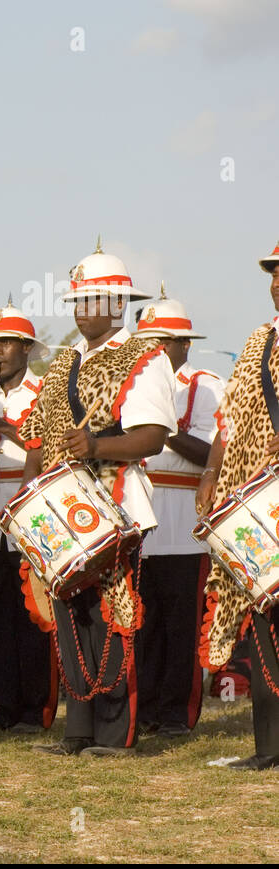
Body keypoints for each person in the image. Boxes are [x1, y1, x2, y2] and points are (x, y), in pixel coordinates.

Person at [19, 241, 176, 758]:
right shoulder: (63, 359)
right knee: (71, 611)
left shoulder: (145, 356)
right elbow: (39, 435)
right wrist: (31, 493)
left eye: (95, 301)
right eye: (79, 302)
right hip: (63, 507)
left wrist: (97, 445)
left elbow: (152, 436)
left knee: (112, 613)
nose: (85, 311)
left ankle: (115, 734)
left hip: (117, 503)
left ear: (119, 303)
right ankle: (78, 730)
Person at [195, 238, 279, 769]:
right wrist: (210, 472)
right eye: (273, 274)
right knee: (263, 616)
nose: (276, 283)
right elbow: (229, 417)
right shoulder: (257, 341)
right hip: (255, 498)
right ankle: (269, 747)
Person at [130, 290, 221, 738]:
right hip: (141, 518)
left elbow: (211, 452)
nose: (157, 351)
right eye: (149, 341)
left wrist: (162, 428)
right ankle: (143, 708)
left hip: (185, 521)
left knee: (182, 624)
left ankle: (176, 715)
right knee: (143, 624)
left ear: (186, 344)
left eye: (165, 341)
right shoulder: (132, 384)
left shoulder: (205, 384)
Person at [0, 304, 56, 734]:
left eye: (4, 344)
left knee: (31, 616)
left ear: (26, 349)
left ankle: (36, 709)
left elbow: (49, 445)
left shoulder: (46, 390)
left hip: (29, 514)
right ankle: (6, 706)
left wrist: (1, 426)